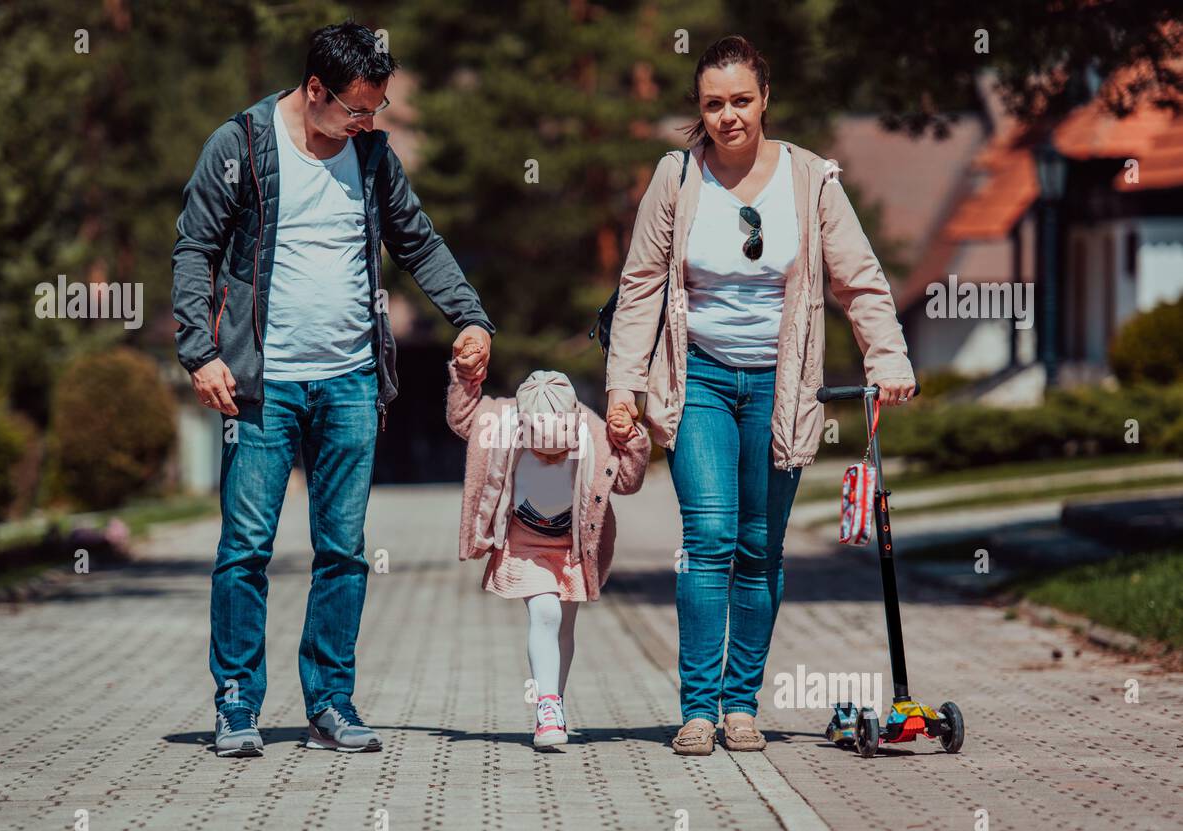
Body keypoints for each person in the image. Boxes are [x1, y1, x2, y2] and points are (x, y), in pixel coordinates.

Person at [171, 20, 494, 757]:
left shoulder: (372, 156)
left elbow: (418, 240)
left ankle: (329, 702)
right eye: (355, 109)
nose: (366, 123)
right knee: (246, 546)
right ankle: (236, 702)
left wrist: (470, 316)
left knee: (343, 549)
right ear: (314, 91)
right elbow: (194, 248)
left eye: (375, 110)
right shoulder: (242, 145)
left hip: (350, 380)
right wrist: (201, 352)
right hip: (261, 385)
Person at [604, 35, 917, 756]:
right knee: (709, 539)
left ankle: (742, 702)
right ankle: (697, 708)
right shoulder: (676, 178)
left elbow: (859, 279)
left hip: (783, 387)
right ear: (700, 109)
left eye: (741, 100)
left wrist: (888, 355)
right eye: (714, 103)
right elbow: (640, 287)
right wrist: (624, 385)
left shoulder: (810, 180)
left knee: (760, 546)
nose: (728, 116)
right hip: (700, 380)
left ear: (765, 99)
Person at [445, 346, 651, 749]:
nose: (551, 458)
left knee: (563, 628)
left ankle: (553, 701)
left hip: (571, 542)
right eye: (541, 451)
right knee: (544, 612)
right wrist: (466, 378)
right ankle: (547, 707)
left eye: (560, 451)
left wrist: (632, 439)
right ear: (522, 430)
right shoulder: (499, 424)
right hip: (524, 539)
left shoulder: (592, 431)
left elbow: (627, 481)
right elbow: (461, 418)